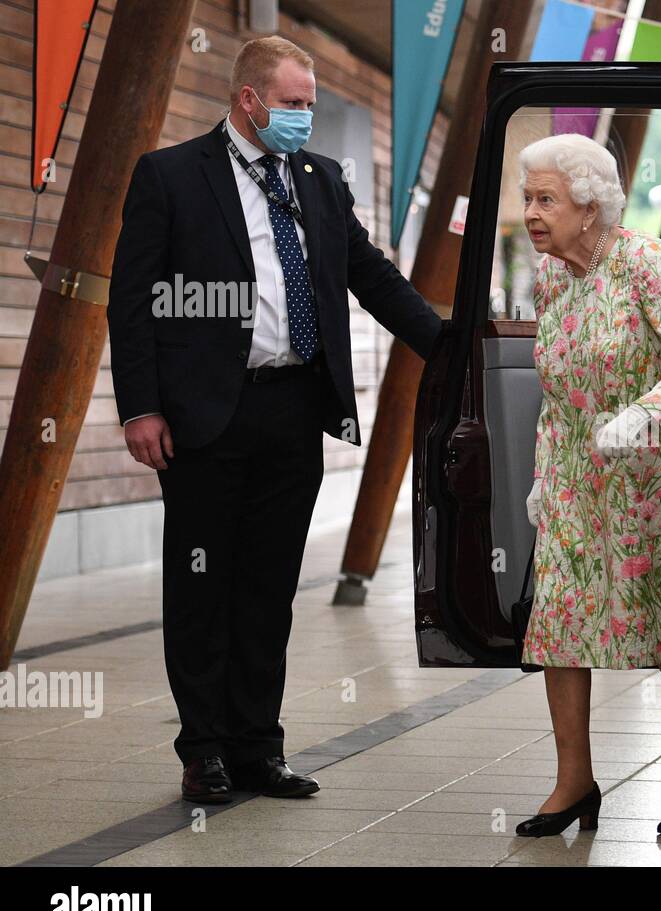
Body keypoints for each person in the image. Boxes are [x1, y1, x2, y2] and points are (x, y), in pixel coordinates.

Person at [106, 36, 442, 804]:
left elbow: (371, 275)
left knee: (267, 587)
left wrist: (448, 344)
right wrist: (142, 406)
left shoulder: (318, 181)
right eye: (292, 105)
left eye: (310, 106)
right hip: (203, 417)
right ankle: (204, 751)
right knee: (201, 586)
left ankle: (259, 747)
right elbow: (133, 303)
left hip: (294, 411)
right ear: (248, 99)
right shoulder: (171, 176)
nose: (303, 119)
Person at [517, 134, 661, 838]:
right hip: (576, 477)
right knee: (558, 621)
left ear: (590, 205)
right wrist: (542, 477)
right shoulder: (552, 276)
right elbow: (555, 396)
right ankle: (573, 782)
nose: (531, 213)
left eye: (545, 199)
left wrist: (646, 413)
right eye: (529, 198)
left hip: (650, 476)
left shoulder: (644, 260)